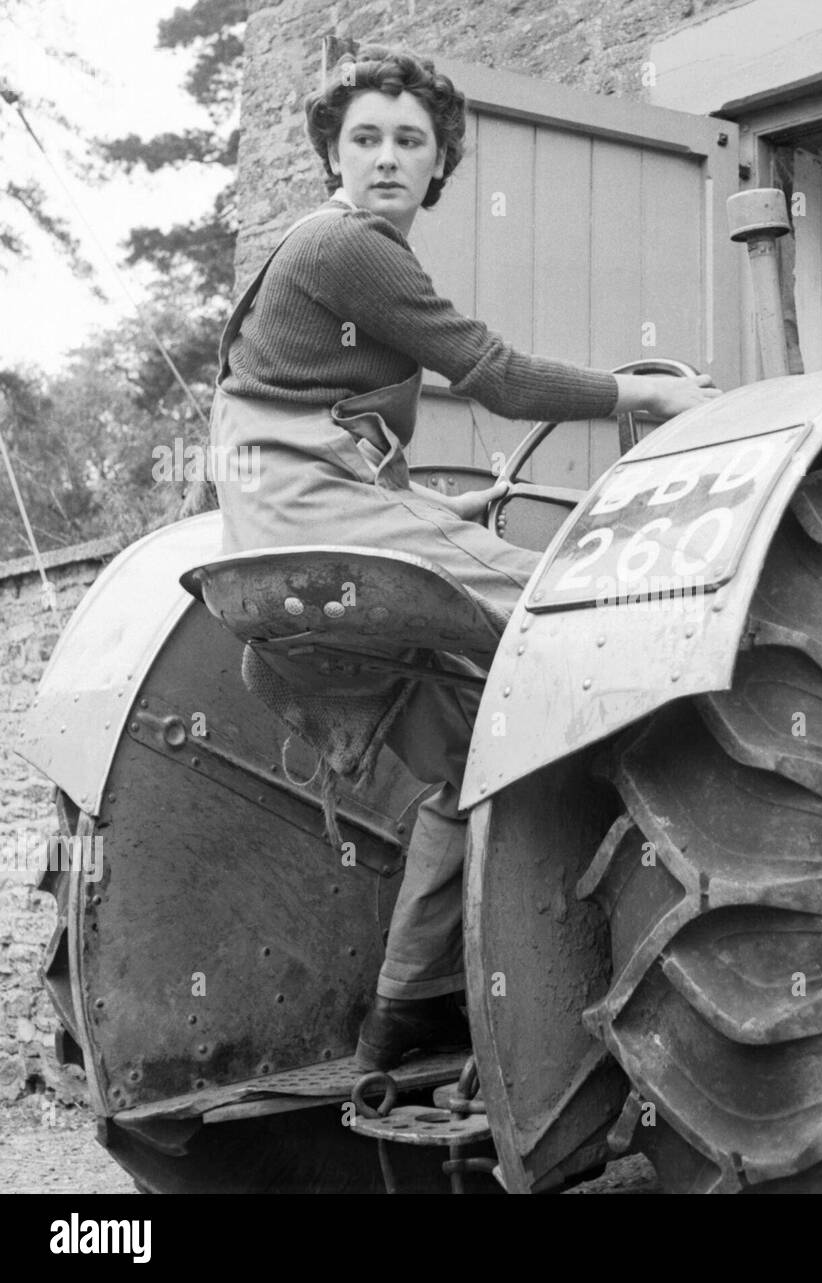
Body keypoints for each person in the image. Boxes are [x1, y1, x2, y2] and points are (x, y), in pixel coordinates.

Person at [208, 45, 721, 1070]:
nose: (389, 159)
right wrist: (648, 396)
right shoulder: (346, 245)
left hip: (291, 532)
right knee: (578, 608)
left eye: (412, 141)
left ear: (439, 164)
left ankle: (402, 1015)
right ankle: (700, 837)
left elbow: (316, 423)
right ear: (332, 156)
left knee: (466, 769)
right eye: (366, 139)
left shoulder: (328, 257)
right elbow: (494, 375)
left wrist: (445, 503)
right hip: (318, 522)